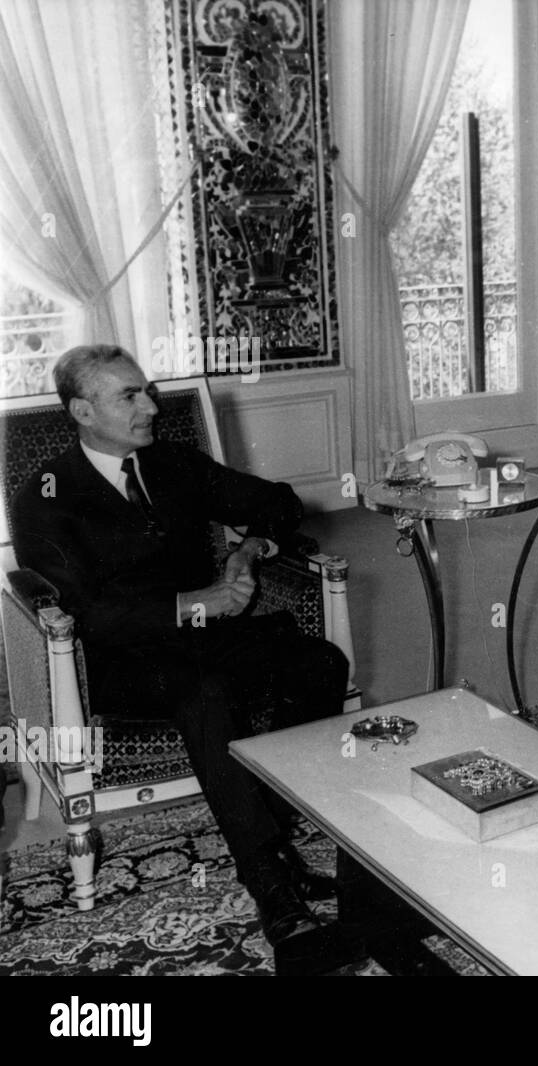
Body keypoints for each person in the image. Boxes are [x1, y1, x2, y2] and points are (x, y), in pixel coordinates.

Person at [11, 345, 349, 953]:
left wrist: (248, 552)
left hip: (204, 637)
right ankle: (273, 890)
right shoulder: (46, 493)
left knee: (321, 664)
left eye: (148, 391)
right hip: (113, 660)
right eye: (130, 396)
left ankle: (269, 830)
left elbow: (279, 501)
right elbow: (86, 613)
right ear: (83, 411)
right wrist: (201, 602)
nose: (151, 407)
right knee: (206, 692)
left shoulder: (173, 464)